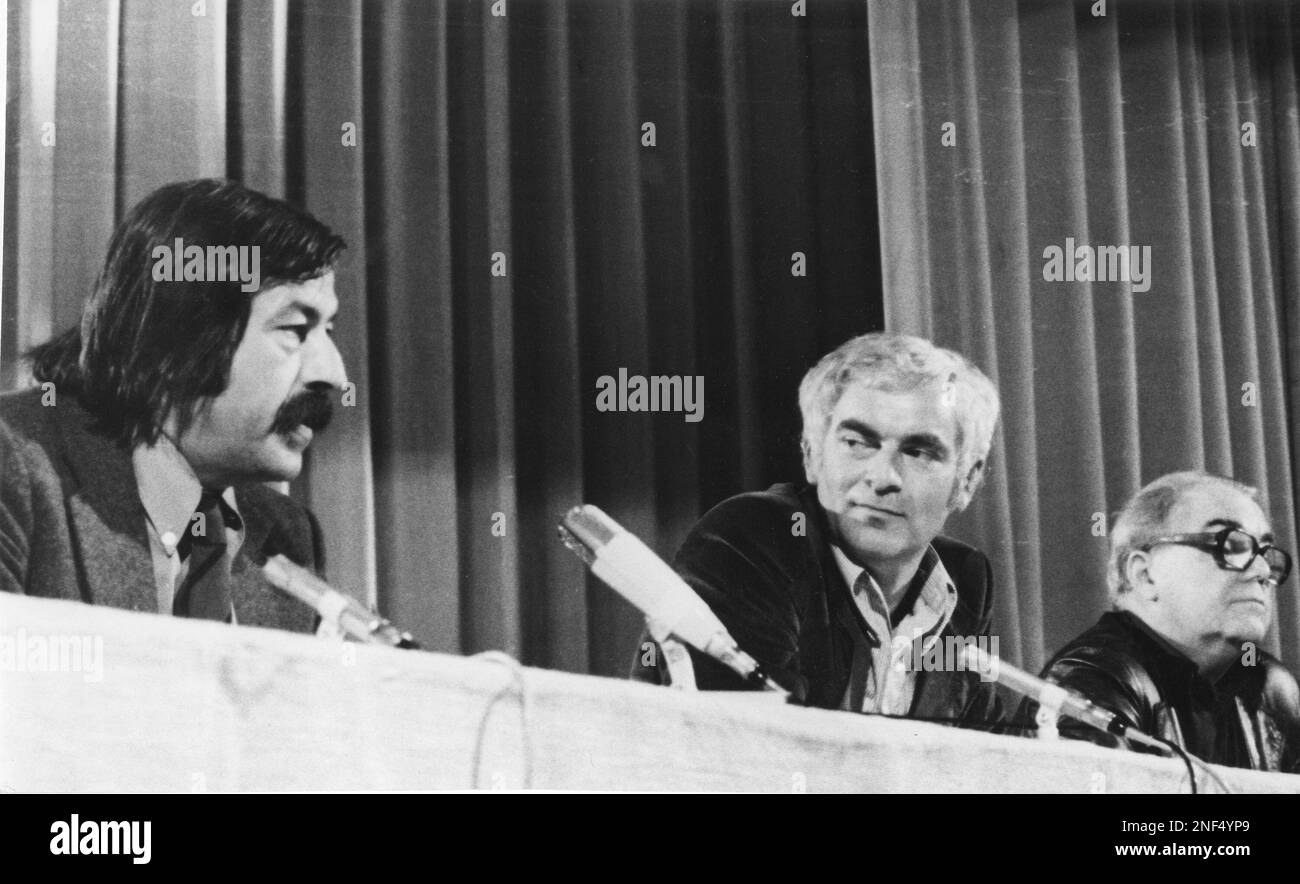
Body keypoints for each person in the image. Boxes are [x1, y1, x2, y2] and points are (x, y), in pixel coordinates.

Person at [0, 179, 348, 632]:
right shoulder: (14, 468)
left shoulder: (288, 535)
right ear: (175, 341)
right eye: (295, 330)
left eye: (329, 333)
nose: (335, 375)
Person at [632, 332, 1004, 727]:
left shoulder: (966, 580)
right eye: (857, 442)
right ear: (812, 456)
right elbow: (750, 753)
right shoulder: (753, 540)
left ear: (966, 480)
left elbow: (985, 751)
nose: (882, 478)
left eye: (918, 452)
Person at [1021, 471, 1300, 771]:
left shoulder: (1273, 688)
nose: (1260, 570)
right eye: (1229, 545)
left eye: (1266, 554)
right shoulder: (1089, 680)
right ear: (1144, 575)